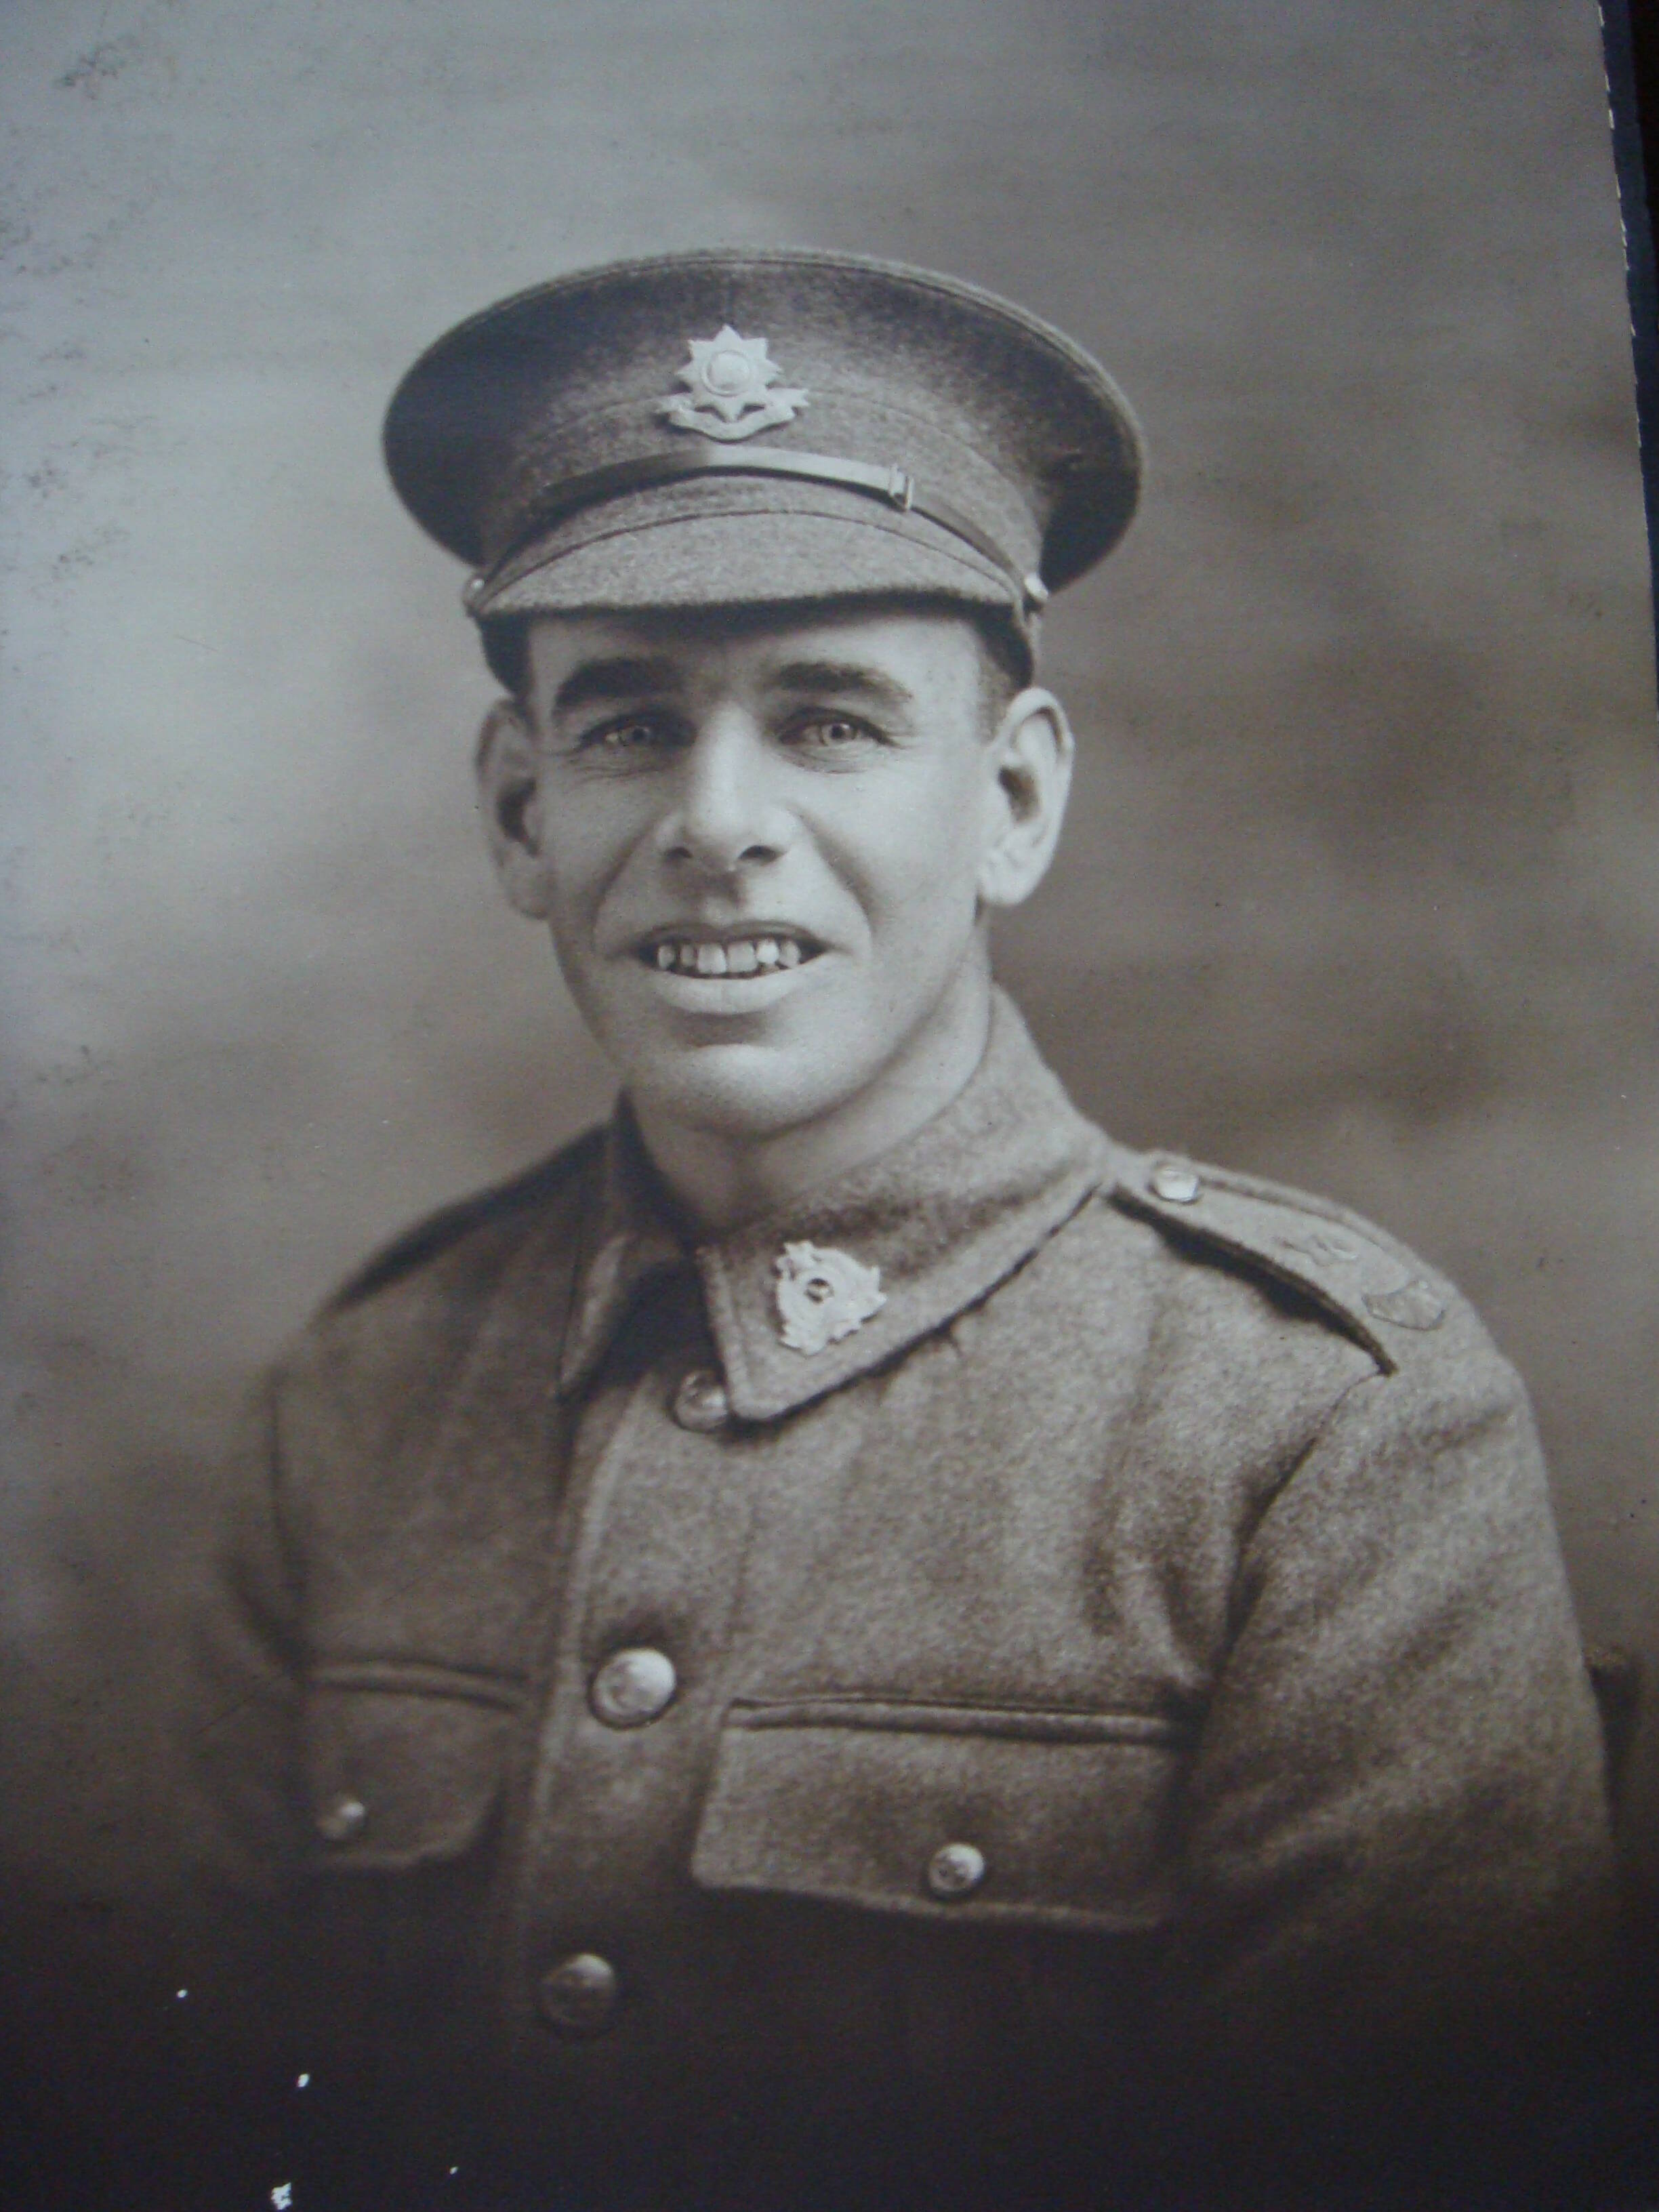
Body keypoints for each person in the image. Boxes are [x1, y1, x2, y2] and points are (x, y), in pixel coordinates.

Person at [174, 248, 1616, 2211]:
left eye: (833, 722)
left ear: (1013, 802)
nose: (717, 820)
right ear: (520, 813)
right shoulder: (362, 1397)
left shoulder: (1325, 1427)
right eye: (626, 727)